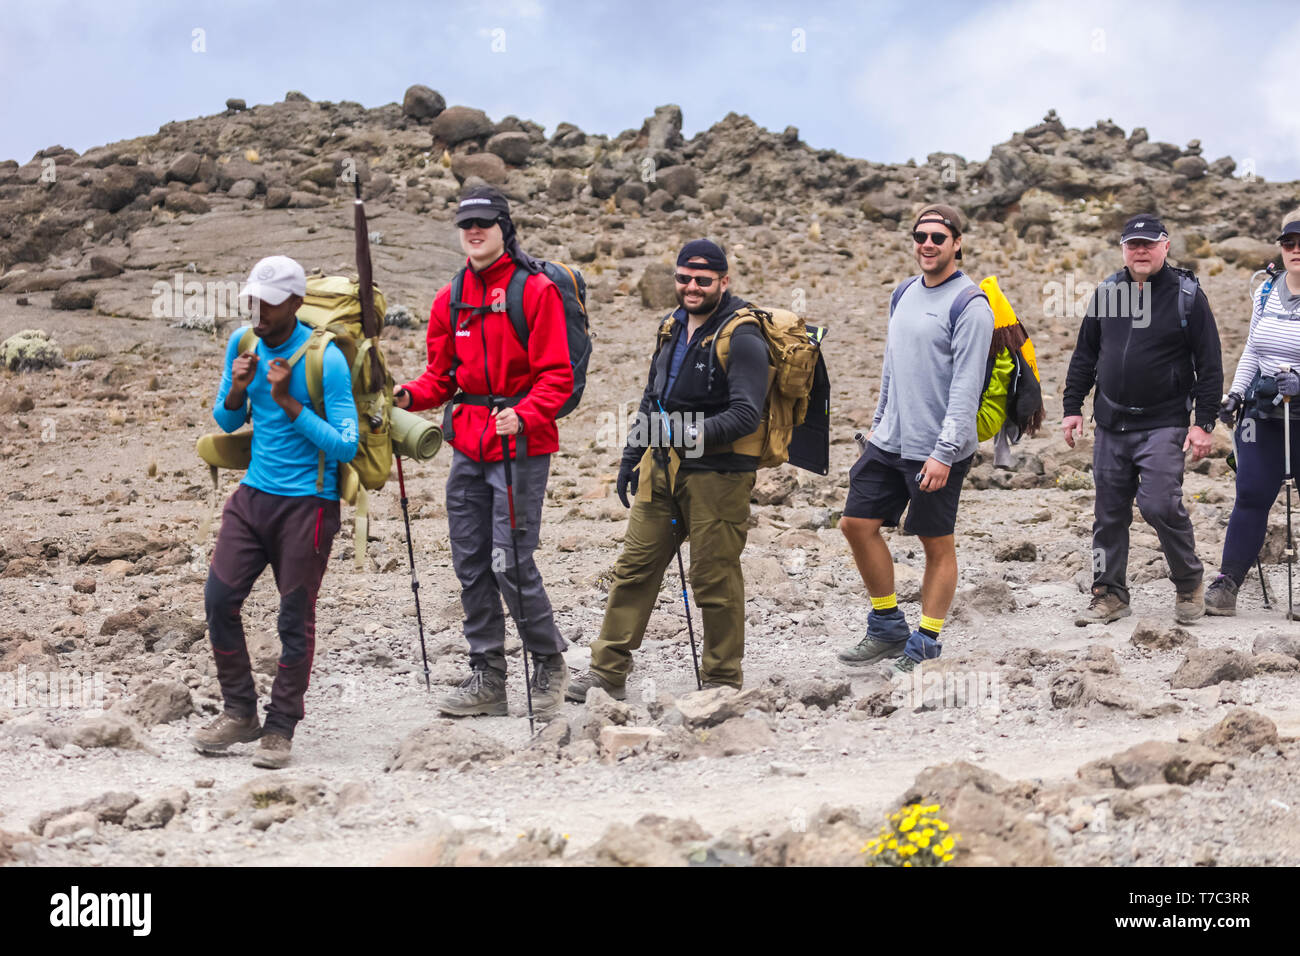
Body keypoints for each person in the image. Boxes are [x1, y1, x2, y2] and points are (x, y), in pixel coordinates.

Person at [393, 186, 573, 718]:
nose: (474, 232)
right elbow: (441, 377)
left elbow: (557, 377)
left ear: (504, 227)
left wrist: (525, 413)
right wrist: (407, 395)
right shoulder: (450, 297)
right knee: (471, 562)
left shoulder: (535, 291)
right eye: (466, 224)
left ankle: (548, 663)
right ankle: (487, 677)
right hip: (468, 446)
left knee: (509, 561)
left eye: (485, 224)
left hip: (520, 445)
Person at [566, 239, 768, 699]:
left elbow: (744, 416)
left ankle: (720, 680)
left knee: (713, 578)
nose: (691, 287)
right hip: (662, 471)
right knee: (634, 569)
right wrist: (631, 456)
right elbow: (651, 398)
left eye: (702, 280)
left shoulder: (744, 336)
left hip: (720, 476)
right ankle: (607, 671)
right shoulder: (671, 326)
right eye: (684, 278)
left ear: (724, 281)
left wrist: (678, 434)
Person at [194, 255, 358, 769]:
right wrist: (240, 387)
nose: (256, 310)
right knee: (219, 599)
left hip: (308, 505)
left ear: (294, 301)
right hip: (253, 497)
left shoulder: (324, 358)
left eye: (267, 301)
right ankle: (241, 711)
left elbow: (346, 446)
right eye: (252, 299)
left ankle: (281, 726)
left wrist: (289, 402)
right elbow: (225, 418)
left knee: (294, 619)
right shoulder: (242, 344)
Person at [837, 204, 993, 673]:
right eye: (919, 236)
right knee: (855, 524)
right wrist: (877, 424)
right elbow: (892, 368)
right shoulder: (903, 293)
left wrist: (944, 453)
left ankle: (926, 641)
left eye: (937, 238)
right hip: (889, 441)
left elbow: (966, 389)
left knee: (934, 542)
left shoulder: (970, 306)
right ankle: (887, 625)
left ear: (957, 243)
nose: (927, 244)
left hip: (937, 448)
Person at [1062, 214, 1224, 625]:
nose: (1141, 251)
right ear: (1123, 249)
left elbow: (1210, 364)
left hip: (1165, 422)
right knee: (1108, 513)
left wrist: (1204, 423)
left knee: (1159, 504)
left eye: (1148, 244)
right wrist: (1071, 408)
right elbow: (1085, 355)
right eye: (1133, 245)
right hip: (1111, 423)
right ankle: (1109, 592)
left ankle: (1188, 581)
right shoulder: (1107, 293)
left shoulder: (1187, 296)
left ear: (1165, 246)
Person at [1206, 220, 1300, 614]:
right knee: (1251, 496)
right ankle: (1227, 584)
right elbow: (1252, 350)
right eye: (1289, 243)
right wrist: (1235, 394)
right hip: (1262, 414)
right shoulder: (1265, 291)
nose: (1295, 249)